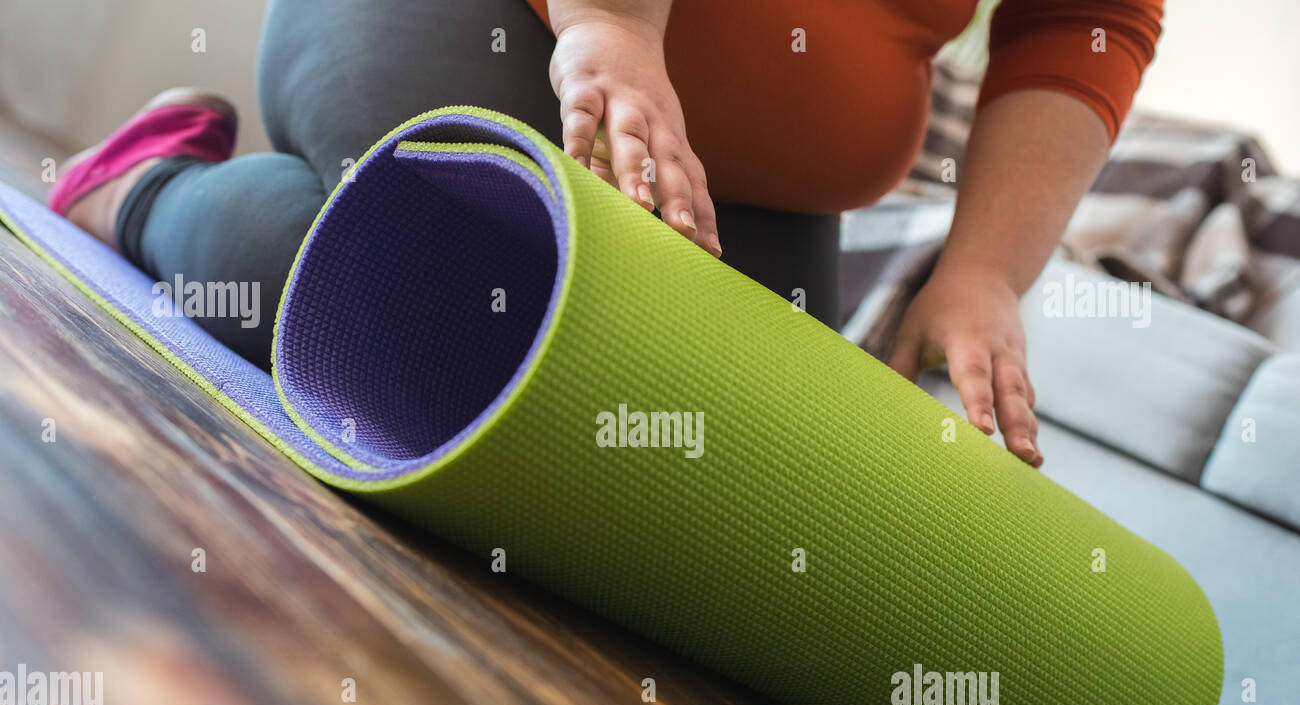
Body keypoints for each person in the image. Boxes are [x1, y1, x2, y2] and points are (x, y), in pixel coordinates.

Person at [48, 0, 1164, 467]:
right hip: (489, 27)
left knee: (705, 469)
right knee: (412, 329)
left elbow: (1082, 19)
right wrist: (613, 29)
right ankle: (141, 188)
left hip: (749, 190)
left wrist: (982, 273)